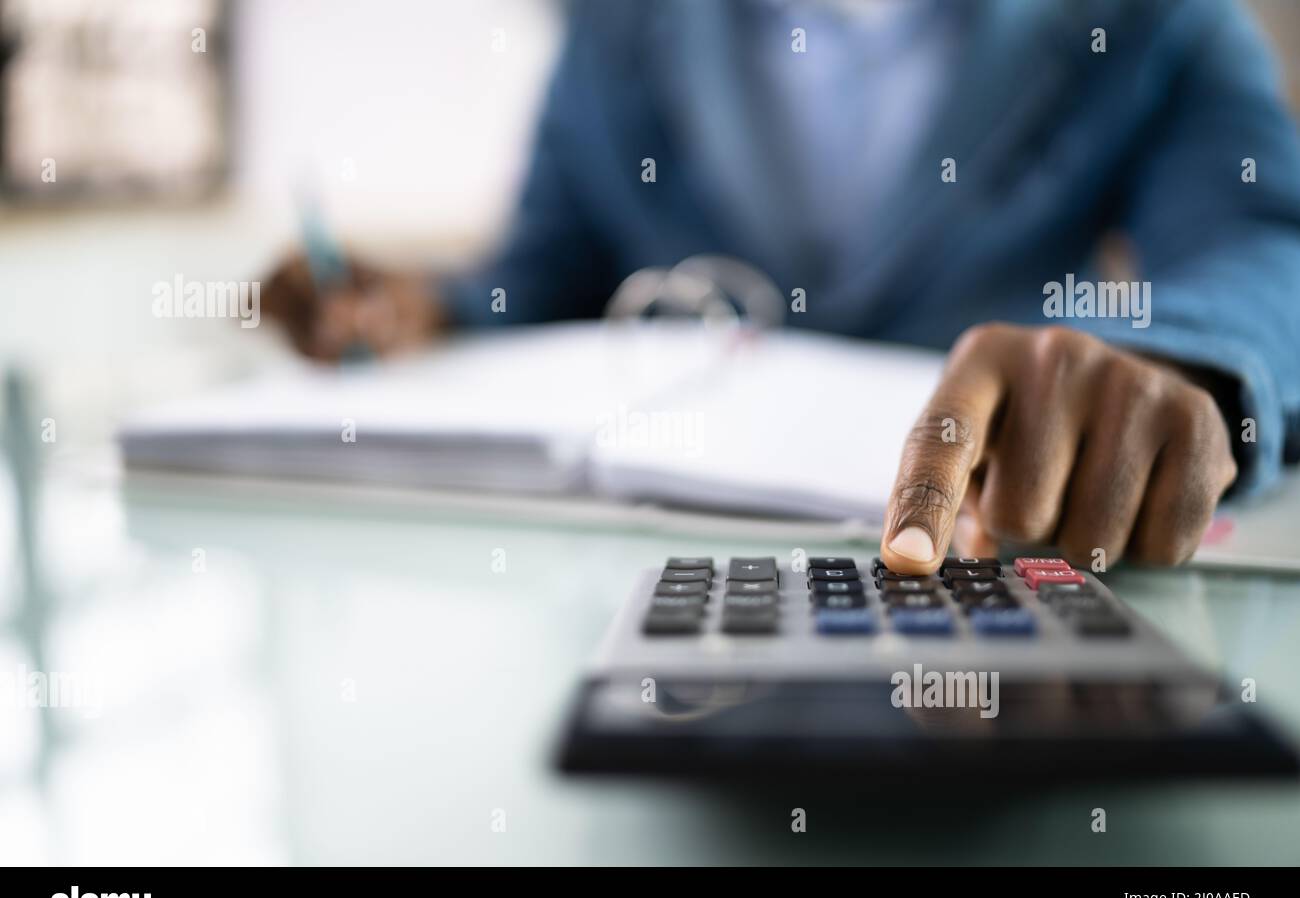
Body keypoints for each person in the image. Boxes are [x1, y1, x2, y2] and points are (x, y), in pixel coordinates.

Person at [262, 0, 1300, 575]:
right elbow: (546, 268)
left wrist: (1177, 362)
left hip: (993, 546)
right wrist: (428, 304)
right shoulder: (612, 31)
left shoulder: (1157, 21)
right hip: (649, 560)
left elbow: (1262, 245)